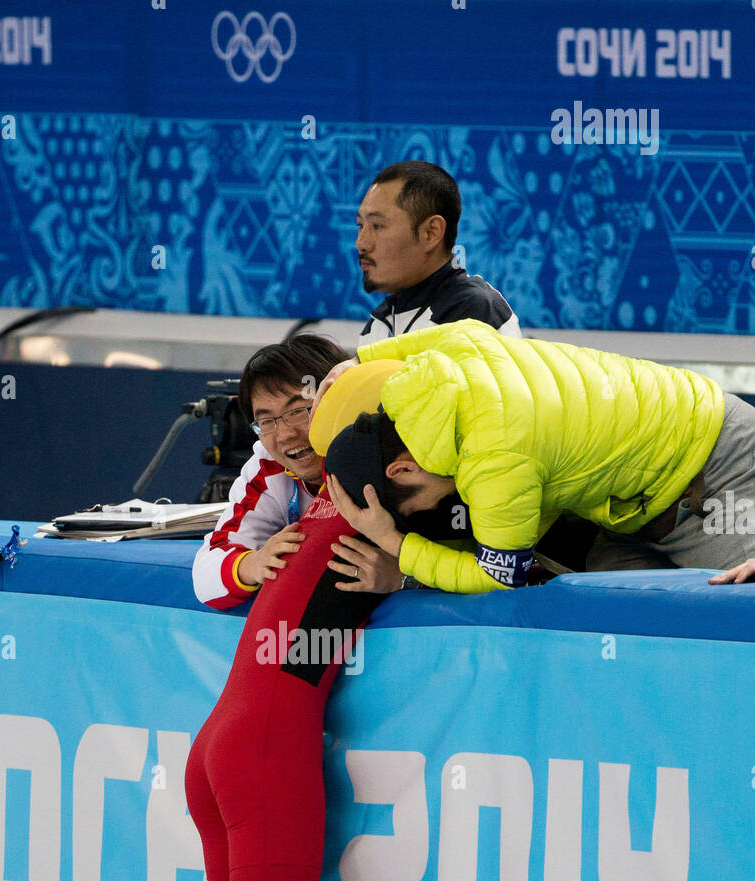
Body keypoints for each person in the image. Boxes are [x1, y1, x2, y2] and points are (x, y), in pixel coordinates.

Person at [84, 365, 435, 881]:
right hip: (269, 747)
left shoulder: (318, 512)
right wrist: (407, 559)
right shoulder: (360, 516)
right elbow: (490, 565)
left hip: (217, 748)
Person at [309, 319, 755, 593]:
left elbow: (501, 576)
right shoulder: (456, 361)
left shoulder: (494, 460)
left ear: (403, 468)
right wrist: (361, 359)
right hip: (648, 495)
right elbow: (461, 329)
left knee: (739, 602)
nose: (432, 509)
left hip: (717, 470)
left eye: (412, 507)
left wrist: (395, 543)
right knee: (609, 598)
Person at [192, 334, 403, 605]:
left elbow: (470, 559)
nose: (285, 435)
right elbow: (207, 573)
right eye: (267, 421)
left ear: (343, 399)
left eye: (300, 411)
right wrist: (254, 564)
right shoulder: (267, 465)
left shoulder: (399, 454)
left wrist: (403, 577)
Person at [355, 161, 521, 347]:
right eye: (360, 226)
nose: (361, 243)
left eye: (377, 226)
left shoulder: (476, 313)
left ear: (431, 232)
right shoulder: (378, 323)